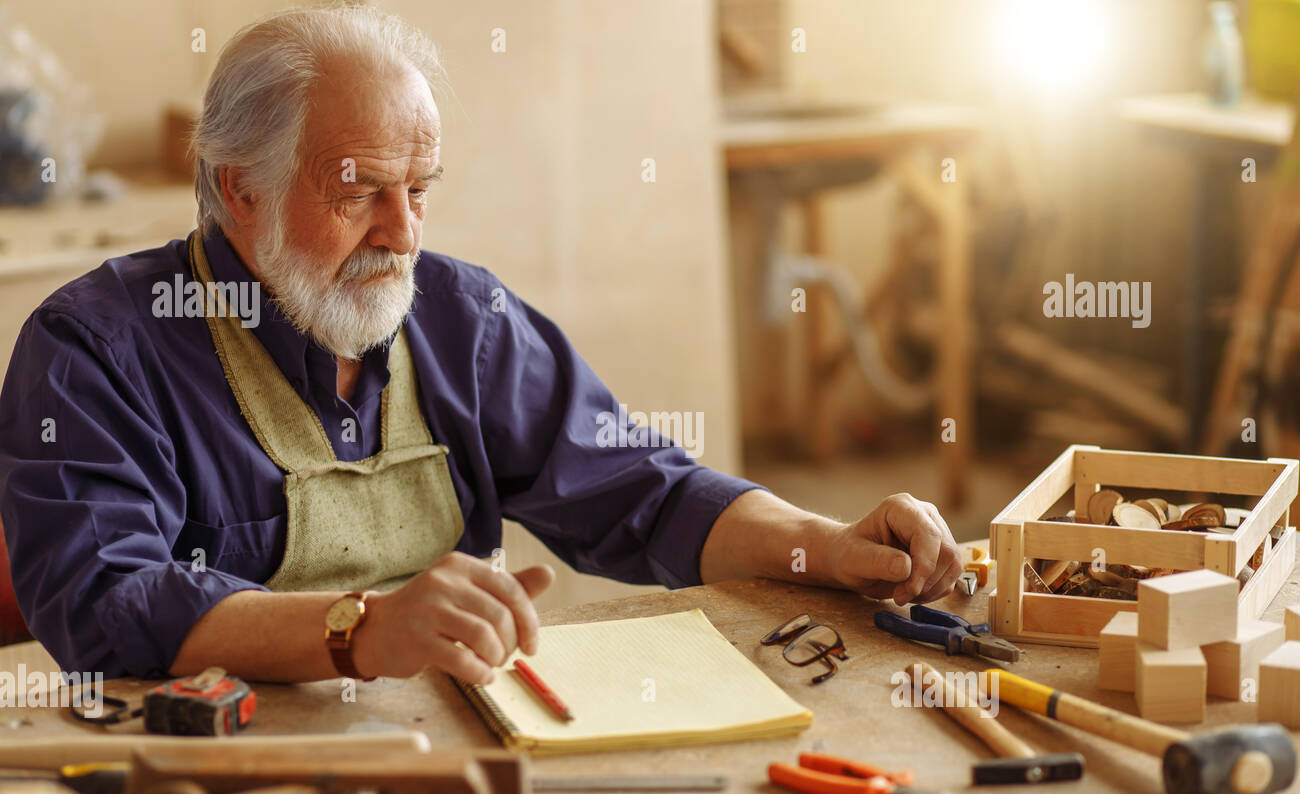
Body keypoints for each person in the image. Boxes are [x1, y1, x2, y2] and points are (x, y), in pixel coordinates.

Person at [0, 6, 960, 684]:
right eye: (359, 189)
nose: (402, 231)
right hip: (206, 790)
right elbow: (107, 603)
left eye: (419, 188)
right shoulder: (94, 350)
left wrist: (821, 547)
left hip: (449, 757)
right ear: (240, 187)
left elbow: (645, 491)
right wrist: (360, 632)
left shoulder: (464, 320)